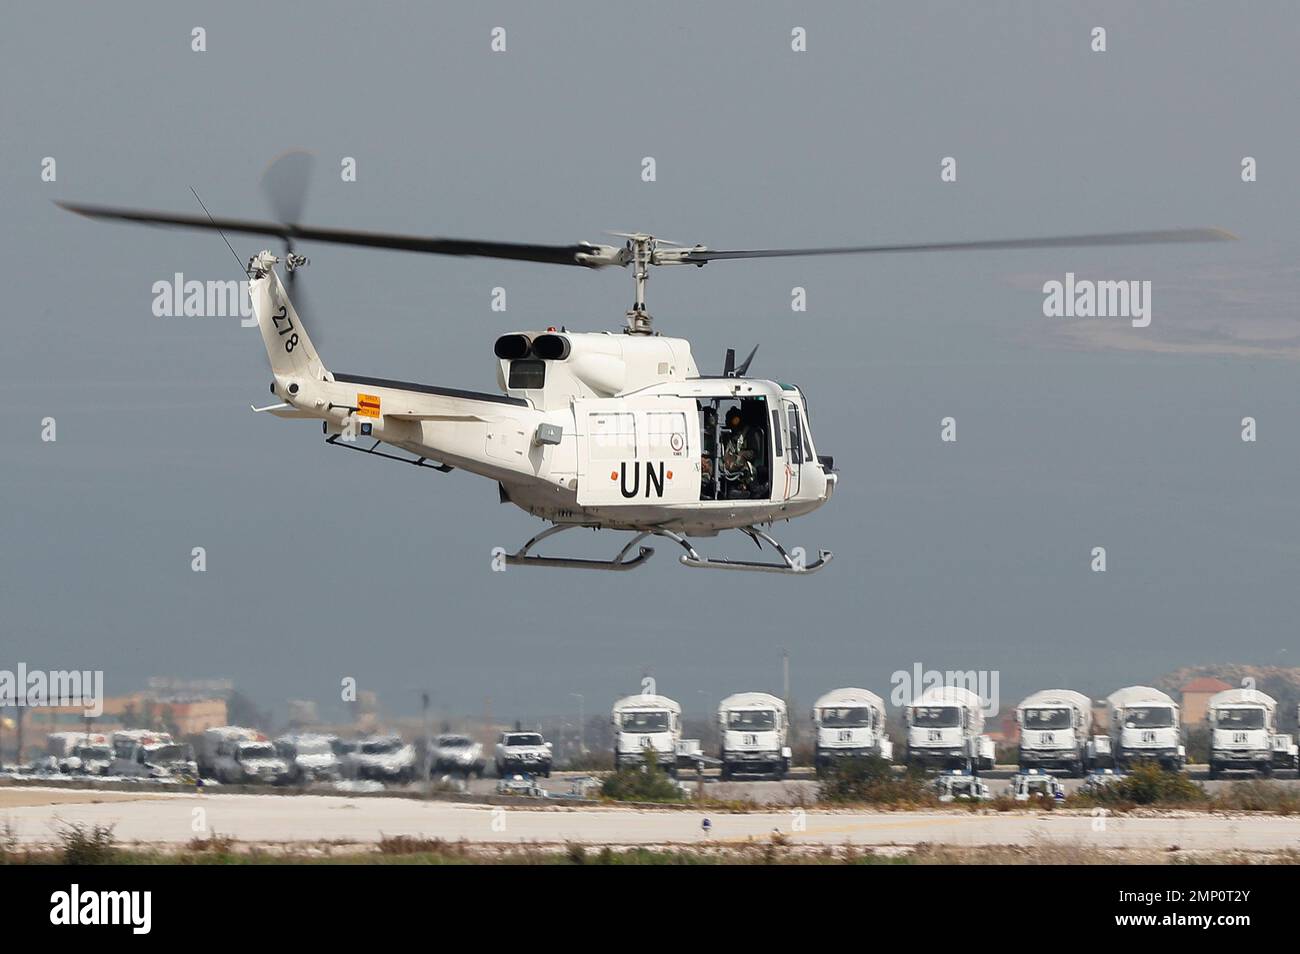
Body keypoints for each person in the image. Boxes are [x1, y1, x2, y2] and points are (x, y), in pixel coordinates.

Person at [720, 406, 759, 495]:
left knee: (749, 468)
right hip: (726, 461)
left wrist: (741, 455)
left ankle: (753, 489)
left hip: (741, 461)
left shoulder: (749, 433)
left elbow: (754, 453)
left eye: (734, 419)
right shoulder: (726, 433)